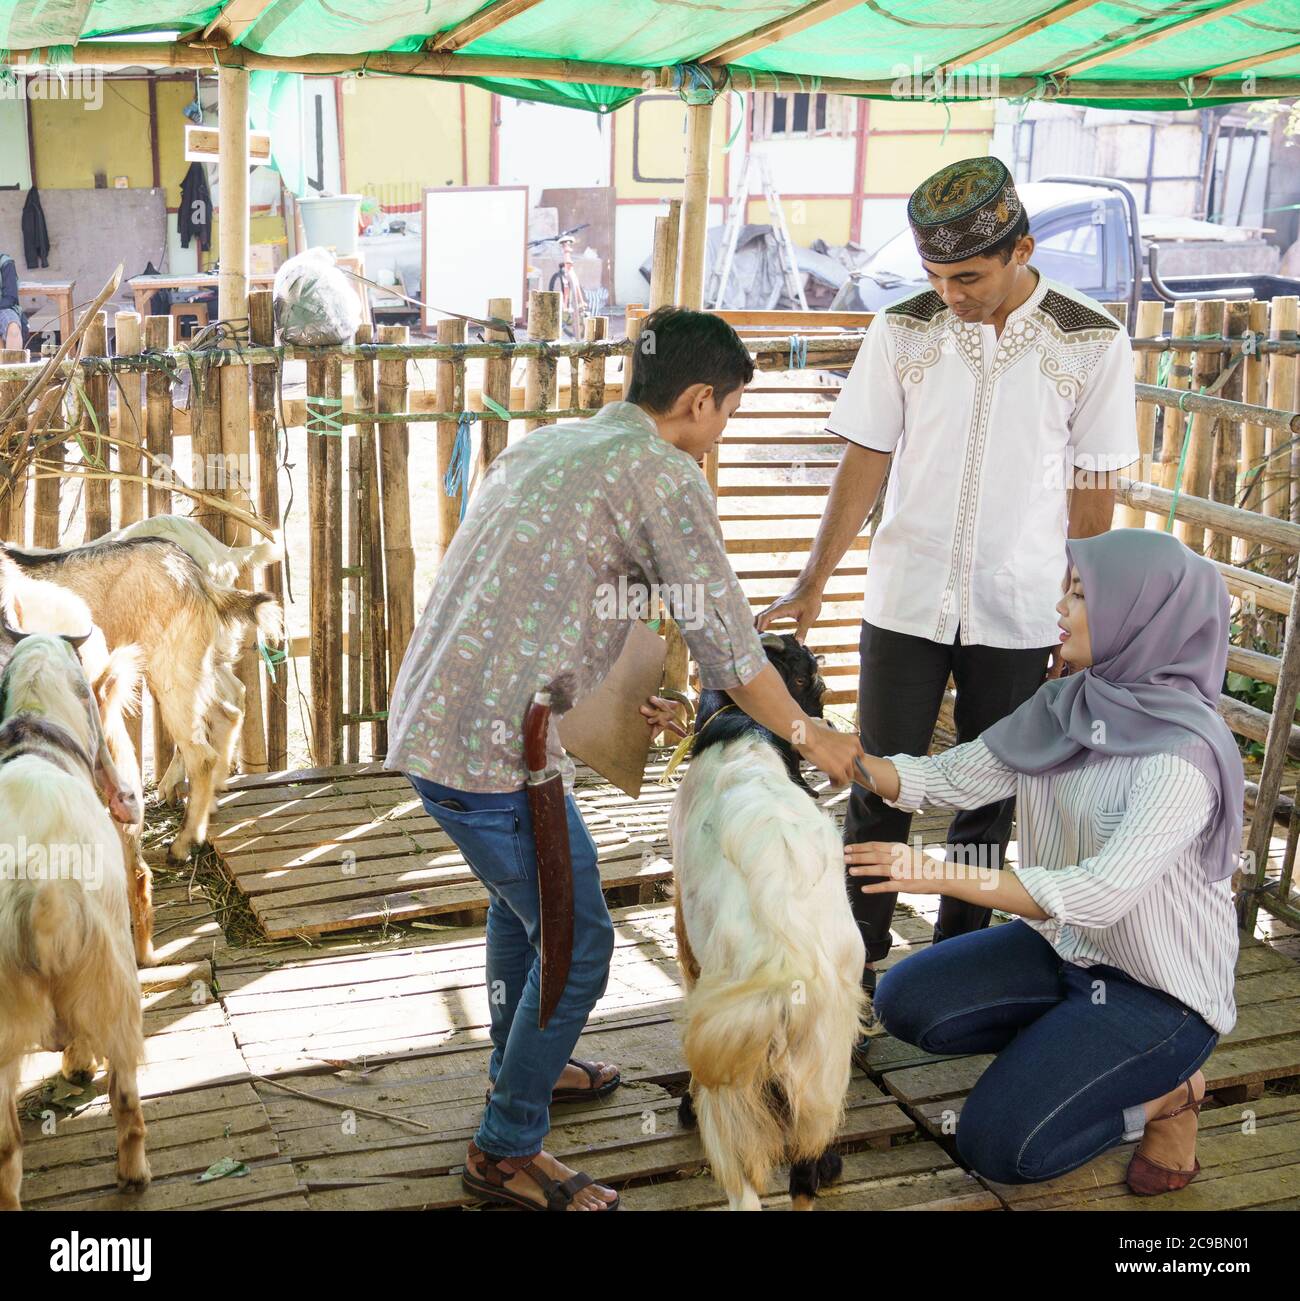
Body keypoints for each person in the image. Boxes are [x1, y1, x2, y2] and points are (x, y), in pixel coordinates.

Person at [385, 306, 866, 1212]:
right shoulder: (663, 473)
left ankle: (524, 1063)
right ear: (698, 399)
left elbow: (541, 601)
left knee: (531, 910)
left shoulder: (548, 446)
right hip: (498, 755)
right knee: (582, 943)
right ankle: (506, 1149)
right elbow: (736, 652)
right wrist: (814, 737)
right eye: (725, 414)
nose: (719, 435)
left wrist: (625, 702)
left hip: (439, 726)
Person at [757, 154, 1141, 1030]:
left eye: (967, 276)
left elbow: (1093, 484)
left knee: (987, 792)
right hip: (904, 598)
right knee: (878, 779)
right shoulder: (903, 328)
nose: (952, 293)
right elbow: (866, 454)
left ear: (1022, 249)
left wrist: (1085, 607)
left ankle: (957, 966)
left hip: (1020, 608)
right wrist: (814, 580)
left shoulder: (1092, 338)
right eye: (936, 276)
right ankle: (854, 965)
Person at [848, 529, 1242, 1193]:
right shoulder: (1071, 702)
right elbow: (957, 775)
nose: (1061, 607)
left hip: (1160, 995)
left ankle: (1164, 1097)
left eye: (1083, 593)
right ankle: (1069, 1048)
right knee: (905, 997)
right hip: (1065, 952)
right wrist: (850, 759)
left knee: (998, 1146)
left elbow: (1097, 895)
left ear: (1140, 616)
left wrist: (938, 872)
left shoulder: (1183, 756)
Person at [0, 253, 26, 352]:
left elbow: (10, 297)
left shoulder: (5, 262)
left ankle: (13, 366)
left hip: (4, 308)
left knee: (13, 328)